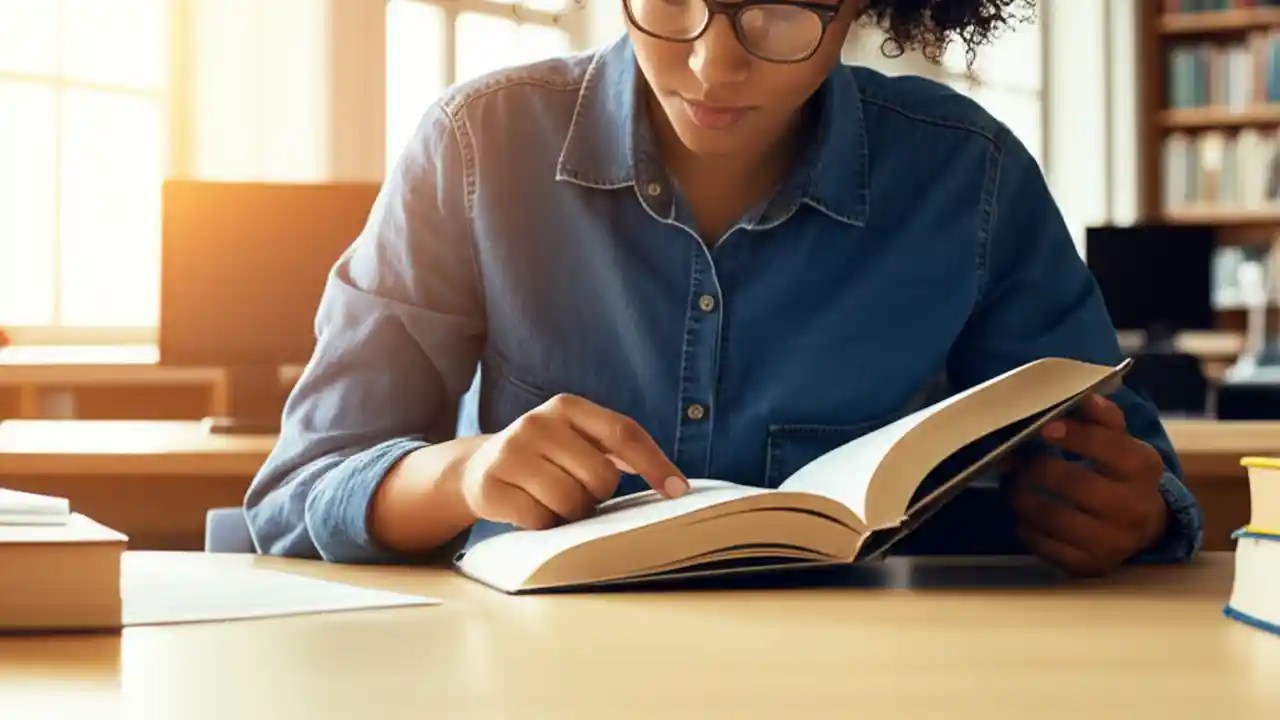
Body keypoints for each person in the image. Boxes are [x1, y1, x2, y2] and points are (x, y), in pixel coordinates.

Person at [246, 0, 1203, 577]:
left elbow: (1136, 473)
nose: (712, 63)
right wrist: (461, 473)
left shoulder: (970, 177)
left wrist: (1127, 509)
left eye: (779, 10)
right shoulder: (474, 148)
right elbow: (298, 493)